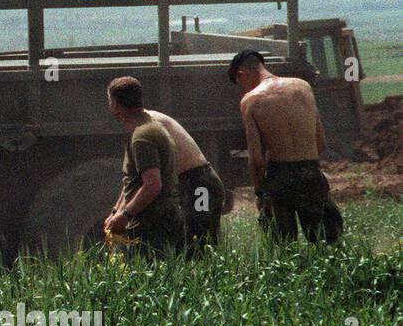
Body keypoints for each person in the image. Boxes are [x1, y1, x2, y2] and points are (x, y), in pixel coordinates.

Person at [230, 49, 342, 243]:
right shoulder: (303, 87)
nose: (243, 89)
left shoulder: (250, 101)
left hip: (279, 178)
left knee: (283, 249)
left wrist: (259, 192)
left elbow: (256, 158)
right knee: (328, 245)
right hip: (311, 172)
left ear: (242, 74)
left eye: (240, 83)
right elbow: (320, 142)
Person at [104, 77, 185, 258]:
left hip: (154, 224)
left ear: (116, 104)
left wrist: (125, 215)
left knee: (148, 280)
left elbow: (152, 185)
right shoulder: (150, 128)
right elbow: (135, 182)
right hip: (162, 219)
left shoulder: (142, 137)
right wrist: (116, 212)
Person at [145, 106, 227, 253]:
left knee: (200, 248)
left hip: (198, 184)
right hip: (193, 183)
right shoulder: (148, 121)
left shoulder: (149, 125)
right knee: (190, 247)